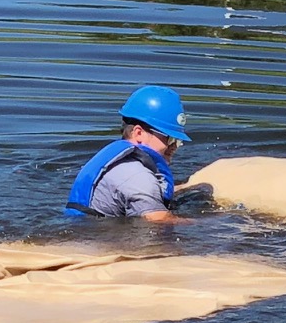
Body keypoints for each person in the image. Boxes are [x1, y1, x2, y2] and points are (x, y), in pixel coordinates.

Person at [65, 85, 193, 221]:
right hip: (97, 238)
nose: (174, 146)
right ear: (139, 133)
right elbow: (160, 222)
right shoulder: (138, 176)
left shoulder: (119, 160)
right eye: (170, 139)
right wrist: (213, 221)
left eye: (178, 141)